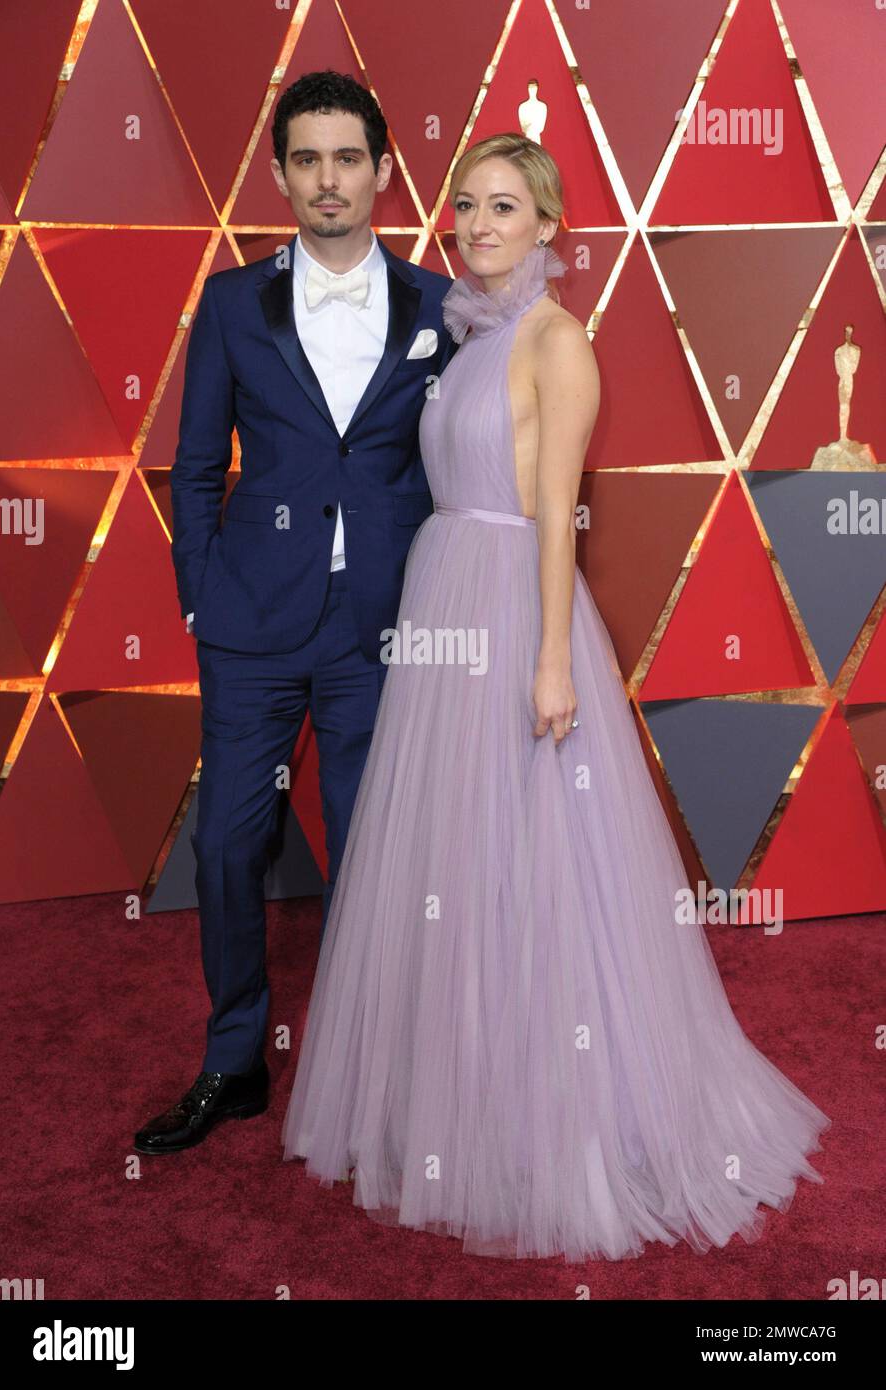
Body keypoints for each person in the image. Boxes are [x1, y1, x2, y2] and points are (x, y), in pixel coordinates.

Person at [280, 133, 831, 1260]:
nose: (480, 225)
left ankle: (560, 1123)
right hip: (443, 601)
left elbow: (553, 522)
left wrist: (549, 659)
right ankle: (453, 1102)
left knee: (532, 861)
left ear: (546, 226)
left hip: (513, 613)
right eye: (466, 206)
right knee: (450, 864)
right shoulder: (465, 339)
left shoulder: (557, 342)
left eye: (504, 209)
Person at [133, 71, 456, 1155]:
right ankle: (234, 1061)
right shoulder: (231, 302)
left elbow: (459, 459)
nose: (328, 179)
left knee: (378, 853)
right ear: (278, 174)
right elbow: (190, 467)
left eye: (347, 158)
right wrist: (198, 597)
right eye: (306, 159)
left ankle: (383, 1065)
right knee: (227, 846)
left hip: (382, 625)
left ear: (381, 171)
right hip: (251, 626)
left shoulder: (434, 307)